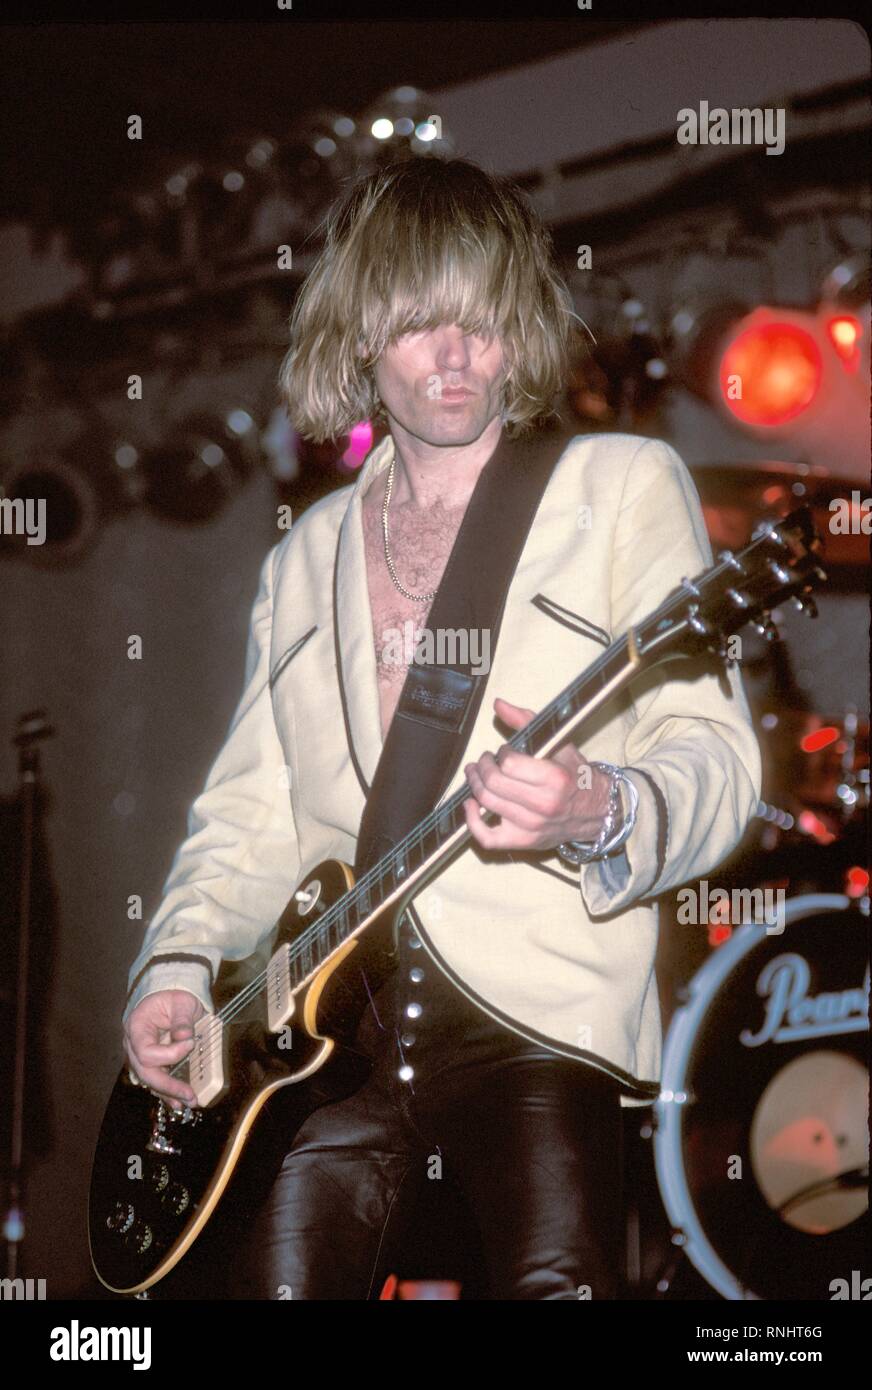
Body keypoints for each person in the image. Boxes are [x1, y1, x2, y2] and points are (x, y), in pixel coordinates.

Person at [122, 157, 761, 1300]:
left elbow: (712, 756)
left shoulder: (615, 485)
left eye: (480, 323)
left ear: (517, 329)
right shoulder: (304, 551)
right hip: (323, 1045)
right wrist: (173, 963)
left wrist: (597, 805)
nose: (456, 357)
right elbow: (249, 805)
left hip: (535, 1017)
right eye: (420, 327)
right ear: (360, 337)